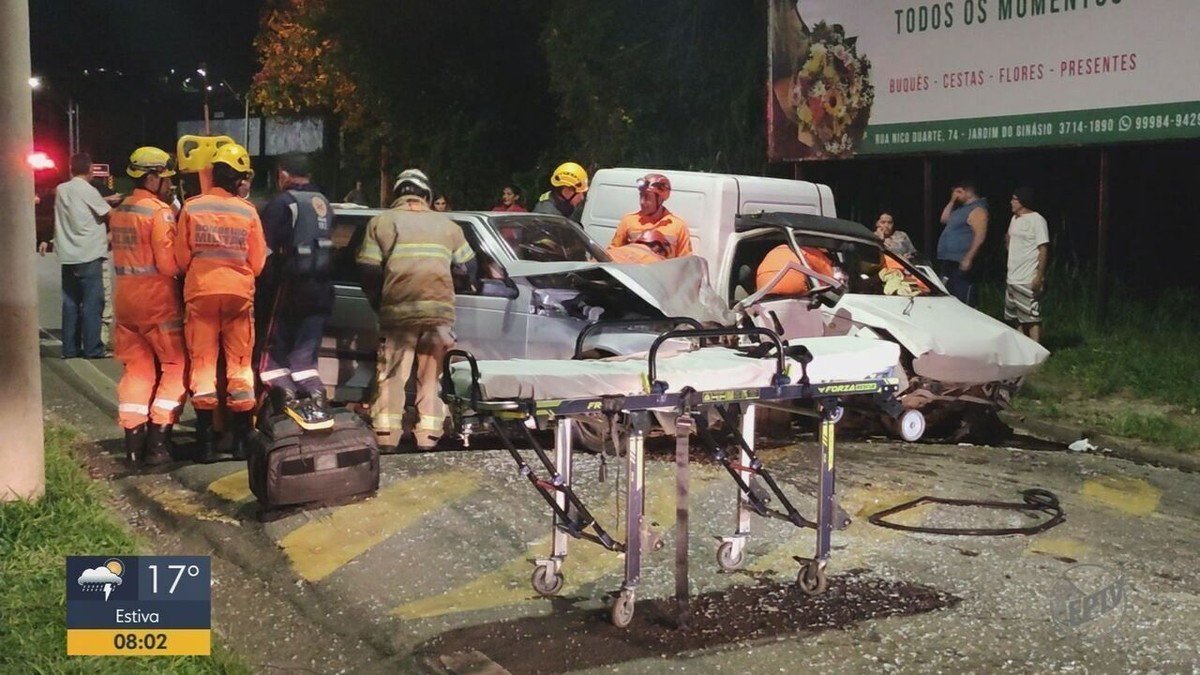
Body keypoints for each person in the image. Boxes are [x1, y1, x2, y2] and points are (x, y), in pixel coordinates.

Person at [356, 169, 475, 451]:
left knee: (392, 375)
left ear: (398, 194)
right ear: (426, 196)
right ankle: (428, 436)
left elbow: (367, 270)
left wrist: (378, 302)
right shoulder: (448, 226)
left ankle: (386, 435)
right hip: (439, 316)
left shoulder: (381, 223)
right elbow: (469, 268)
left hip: (398, 314)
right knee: (433, 376)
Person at [174, 143, 267, 462]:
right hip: (239, 295)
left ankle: (207, 444)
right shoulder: (248, 211)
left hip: (200, 293)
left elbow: (181, 257)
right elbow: (258, 263)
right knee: (240, 366)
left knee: (202, 365)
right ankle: (241, 442)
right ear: (238, 178)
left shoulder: (192, 207)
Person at [110, 147, 188, 464]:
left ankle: (132, 446)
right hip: (157, 303)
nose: (169, 186)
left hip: (125, 301)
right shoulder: (159, 212)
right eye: (166, 179)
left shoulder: (121, 210)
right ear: (153, 178)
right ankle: (158, 443)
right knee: (175, 367)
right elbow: (168, 265)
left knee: (138, 371)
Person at [256, 152, 335, 428]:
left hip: (287, 288)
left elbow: (261, 251)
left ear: (282, 174)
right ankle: (316, 402)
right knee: (304, 361)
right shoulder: (323, 202)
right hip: (321, 290)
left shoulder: (282, 203)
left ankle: (282, 410)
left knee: (271, 358)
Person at [39, 153, 113, 359]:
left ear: (71, 169)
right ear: (90, 171)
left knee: (70, 303)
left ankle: (70, 349)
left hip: (67, 254)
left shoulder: (62, 190)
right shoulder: (88, 190)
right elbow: (109, 213)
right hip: (89, 253)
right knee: (92, 304)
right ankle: (92, 348)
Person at [1005, 186, 1050, 343]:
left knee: (1031, 317)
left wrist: (1039, 275)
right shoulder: (1014, 219)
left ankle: (1037, 349)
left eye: (1014, 199)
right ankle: (1023, 347)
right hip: (1012, 276)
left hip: (1027, 276)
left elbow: (1043, 248)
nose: (1011, 202)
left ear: (1023, 201)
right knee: (1014, 316)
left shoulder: (1037, 220)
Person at [610, 173, 692, 258]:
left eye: (647, 197)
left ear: (660, 199)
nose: (642, 202)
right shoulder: (628, 220)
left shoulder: (678, 225)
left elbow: (685, 261)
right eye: (641, 196)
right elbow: (613, 253)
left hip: (662, 270)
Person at [937, 180, 989, 306]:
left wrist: (968, 258)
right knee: (947, 297)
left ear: (966, 192)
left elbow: (980, 236)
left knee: (963, 299)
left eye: (957, 192)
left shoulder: (978, 209)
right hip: (949, 261)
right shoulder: (959, 209)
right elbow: (944, 219)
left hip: (961, 262)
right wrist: (952, 201)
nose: (955, 195)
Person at [755, 244, 836, 295]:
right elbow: (832, 278)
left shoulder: (778, 250)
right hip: (797, 295)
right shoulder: (812, 254)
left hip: (765, 295)